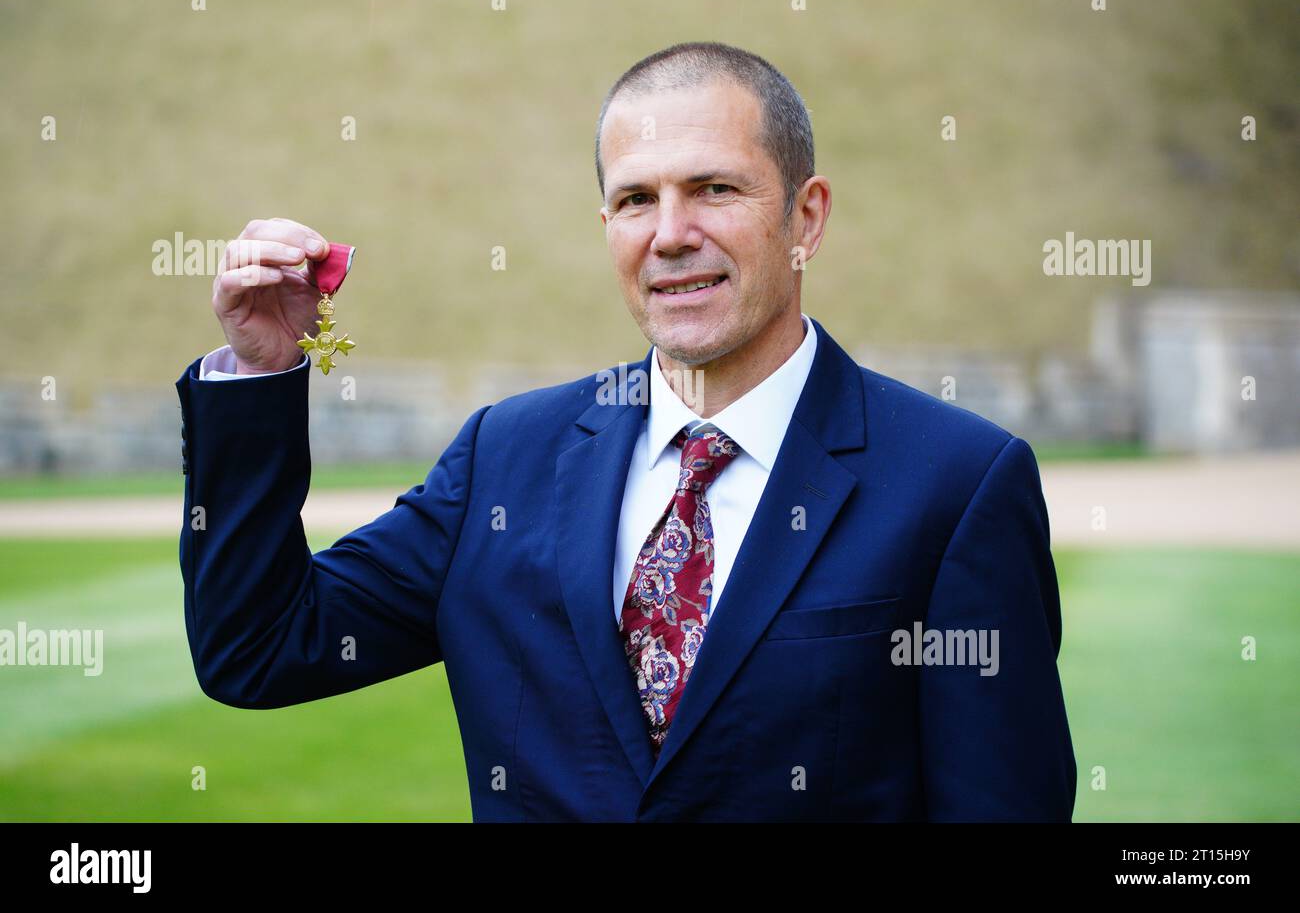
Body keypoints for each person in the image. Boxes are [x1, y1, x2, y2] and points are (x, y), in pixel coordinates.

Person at [177, 41, 1076, 821]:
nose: (671, 234)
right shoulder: (504, 460)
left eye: (714, 189)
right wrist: (260, 372)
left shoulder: (957, 484)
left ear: (807, 217)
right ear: (607, 223)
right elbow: (258, 648)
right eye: (637, 199)